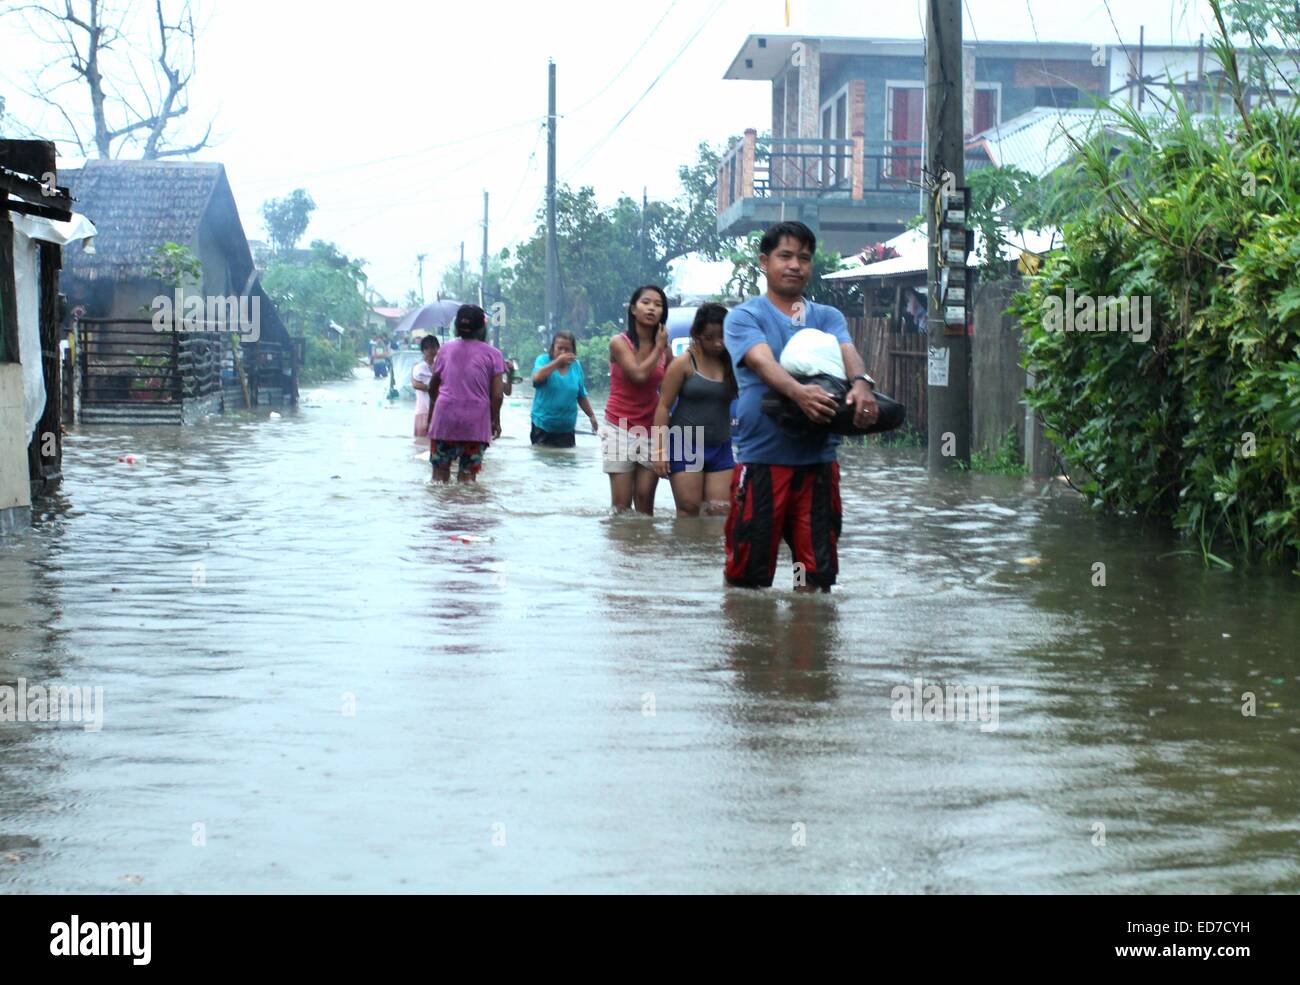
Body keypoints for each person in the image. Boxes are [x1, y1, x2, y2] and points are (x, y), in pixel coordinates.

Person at [723, 221, 879, 592]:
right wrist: (799, 393)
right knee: (749, 578)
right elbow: (761, 361)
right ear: (765, 261)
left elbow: (847, 350)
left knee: (813, 578)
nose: (795, 265)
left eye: (804, 258)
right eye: (785, 256)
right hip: (763, 461)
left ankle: (804, 644)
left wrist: (861, 383)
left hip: (818, 463)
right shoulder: (745, 317)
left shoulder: (827, 316)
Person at [652, 303, 738, 516]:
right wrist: (660, 452)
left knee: (720, 511)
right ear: (697, 335)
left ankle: (709, 551)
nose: (718, 343)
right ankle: (685, 550)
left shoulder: (732, 364)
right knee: (689, 509)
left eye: (723, 336)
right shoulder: (684, 363)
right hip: (685, 443)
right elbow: (663, 407)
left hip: (720, 443)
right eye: (710, 337)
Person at [602, 284, 669, 513]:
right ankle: (622, 548)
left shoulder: (665, 349)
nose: (652, 308)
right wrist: (659, 347)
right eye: (646, 302)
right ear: (633, 309)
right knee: (621, 507)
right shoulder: (619, 342)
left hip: (651, 427)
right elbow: (639, 375)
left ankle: (643, 548)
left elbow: (671, 387)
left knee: (644, 506)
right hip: (618, 425)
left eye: (658, 305)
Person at [427, 305, 506, 483]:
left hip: (444, 421)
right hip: (476, 424)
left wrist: (433, 415)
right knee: (467, 481)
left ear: (456, 327)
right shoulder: (494, 355)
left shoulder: (445, 350)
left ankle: (437, 512)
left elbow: (433, 387)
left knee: (439, 480)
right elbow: (498, 395)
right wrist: (495, 421)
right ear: (482, 329)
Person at [530, 331, 598, 447]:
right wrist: (557, 362)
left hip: (567, 428)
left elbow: (581, 395)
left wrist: (591, 416)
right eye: (560, 348)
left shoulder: (575, 365)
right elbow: (537, 378)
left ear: (573, 351)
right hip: (543, 427)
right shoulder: (543, 360)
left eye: (567, 349)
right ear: (553, 348)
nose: (563, 352)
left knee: (566, 461)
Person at [411, 334, 440, 438]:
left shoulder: (441, 367)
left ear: (438, 349)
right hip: (423, 411)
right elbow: (416, 385)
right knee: (420, 446)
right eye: (427, 348)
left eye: (433, 347)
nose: (430, 351)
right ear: (423, 350)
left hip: (438, 412)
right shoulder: (418, 368)